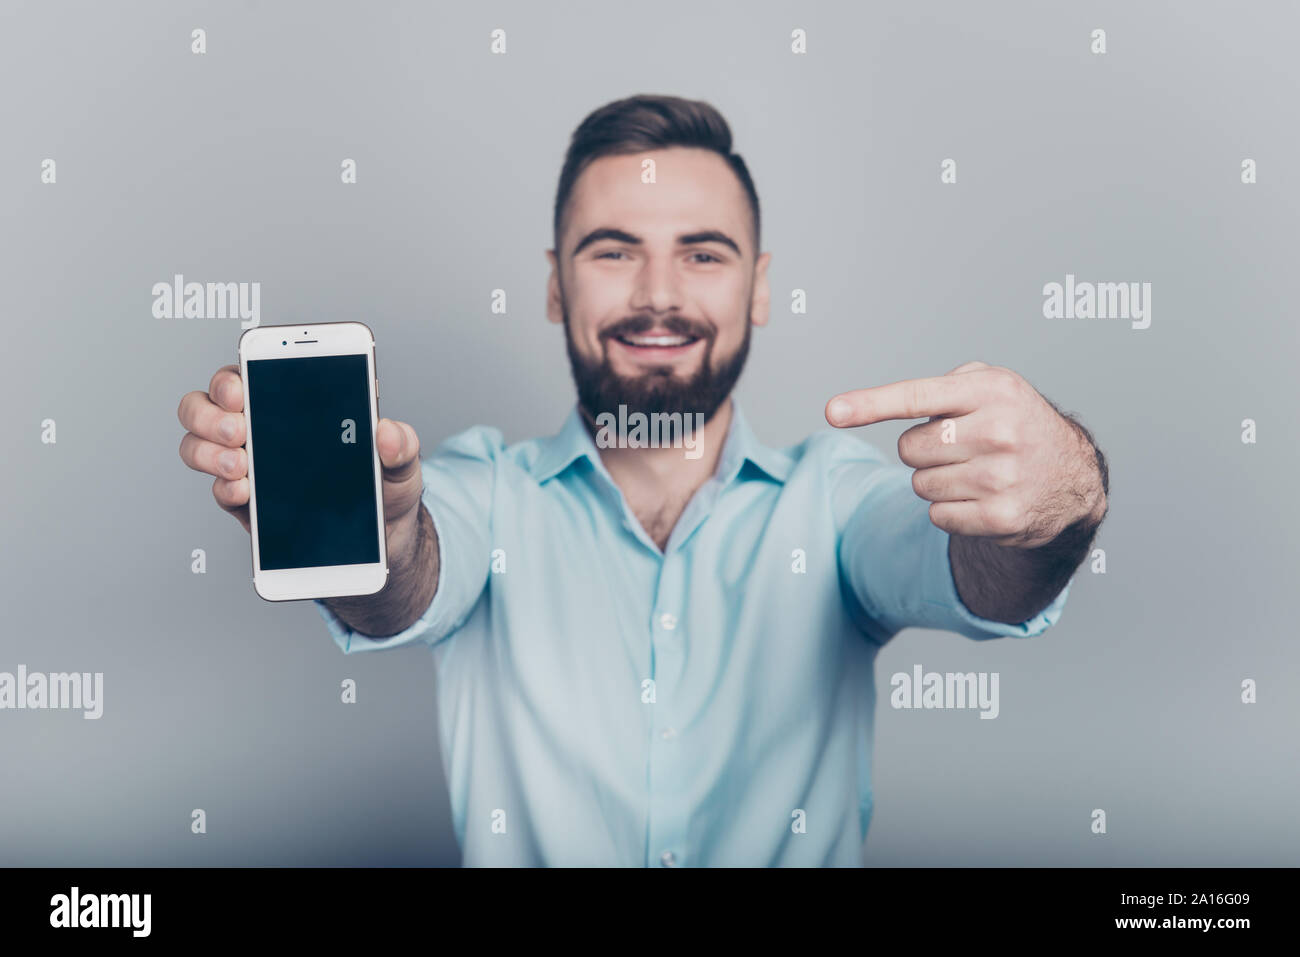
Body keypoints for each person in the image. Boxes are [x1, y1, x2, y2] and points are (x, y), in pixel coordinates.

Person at [177, 94, 1109, 866]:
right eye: (613, 251)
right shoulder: (484, 491)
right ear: (555, 286)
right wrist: (375, 535)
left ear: (758, 287)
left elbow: (976, 576)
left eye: (704, 254)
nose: (659, 293)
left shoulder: (831, 504)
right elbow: (411, 572)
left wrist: (1059, 500)